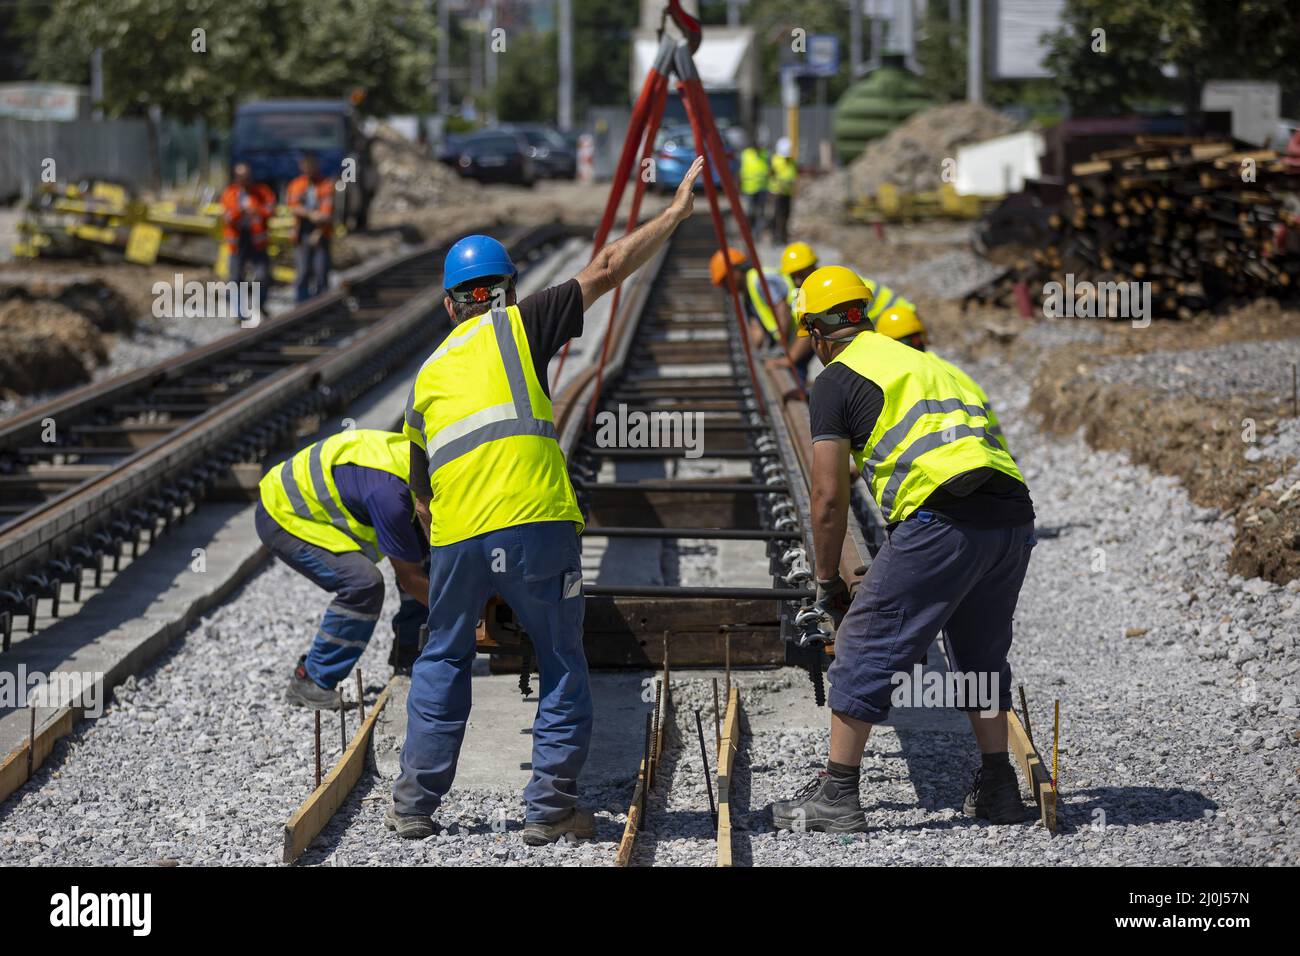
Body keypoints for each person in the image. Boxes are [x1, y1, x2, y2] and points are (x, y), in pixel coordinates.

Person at [388, 156, 708, 844]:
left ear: (451, 306)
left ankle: (415, 806)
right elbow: (612, 265)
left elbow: (422, 500)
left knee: (442, 656)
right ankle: (549, 809)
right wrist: (677, 212)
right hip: (537, 522)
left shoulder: (426, 377)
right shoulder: (521, 323)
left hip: (458, 533)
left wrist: (468, 568)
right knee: (562, 658)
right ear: (503, 291)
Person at [772, 266, 1037, 832]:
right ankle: (999, 788)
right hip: (1011, 518)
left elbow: (825, 496)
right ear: (862, 315)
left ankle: (838, 796)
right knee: (980, 655)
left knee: (863, 640)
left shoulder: (836, 380)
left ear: (815, 335)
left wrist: (826, 583)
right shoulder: (934, 365)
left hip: (943, 519)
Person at [255, 428, 431, 708]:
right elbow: (410, 580)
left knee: (425, 561)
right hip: (283, 512)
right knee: (363, 584)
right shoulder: (390, 496)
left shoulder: (415, 462)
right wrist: (462, 616)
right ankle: (310, 680)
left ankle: (409, 657)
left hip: (312, 501)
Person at [708, 246, 813, 381]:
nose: (725, 288)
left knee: (795, 373)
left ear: (735, 271)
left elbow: (783, 313)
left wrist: (783, 352)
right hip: (797, 334)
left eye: (725, 281)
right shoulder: (749, 291)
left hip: (803, 330)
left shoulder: (760, 282)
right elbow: (757, 328)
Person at [219, 162, 275, 323]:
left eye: (248, 177)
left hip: (257, 241)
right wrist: (240, 211)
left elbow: (271, 209)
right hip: (237, 242)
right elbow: (227, 216)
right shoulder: (230, 193)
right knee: (236, 278)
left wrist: (255, 210)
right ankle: (239, 312)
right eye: (242, 177)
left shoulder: (261, 192)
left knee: (262, 275)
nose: (245, 180)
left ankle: (260, 305)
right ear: (236, 178)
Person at [286, 152, 335, 302]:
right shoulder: (296, 184)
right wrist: (311, 214)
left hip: (322, 233)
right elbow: (294, 207)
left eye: (311, 166)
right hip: (302, 233)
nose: (309, 169)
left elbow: (327, 212)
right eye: (306, 166)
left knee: (321, 272)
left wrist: (319, 231)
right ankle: (301, 304)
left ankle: (322, 304)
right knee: (303, 271)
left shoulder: (326, 184)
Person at [738, 135, 770, 241]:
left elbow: (769, 169)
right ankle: (748, 232)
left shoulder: (765, 154)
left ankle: (757, 234)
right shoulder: (746, 154)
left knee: (760, 212)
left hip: (762, 188)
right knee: (750, 212)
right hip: (749, 188)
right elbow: (740, 171)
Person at [768, 137, 797, 245]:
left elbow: (793, 175)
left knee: (786, 215)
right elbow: (771, 174)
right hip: (777, 192)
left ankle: (784, 237)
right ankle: (775, 238)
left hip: (787, 192)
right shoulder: (775, 160)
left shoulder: (791, 161)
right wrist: (779, 183)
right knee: (777, 215)